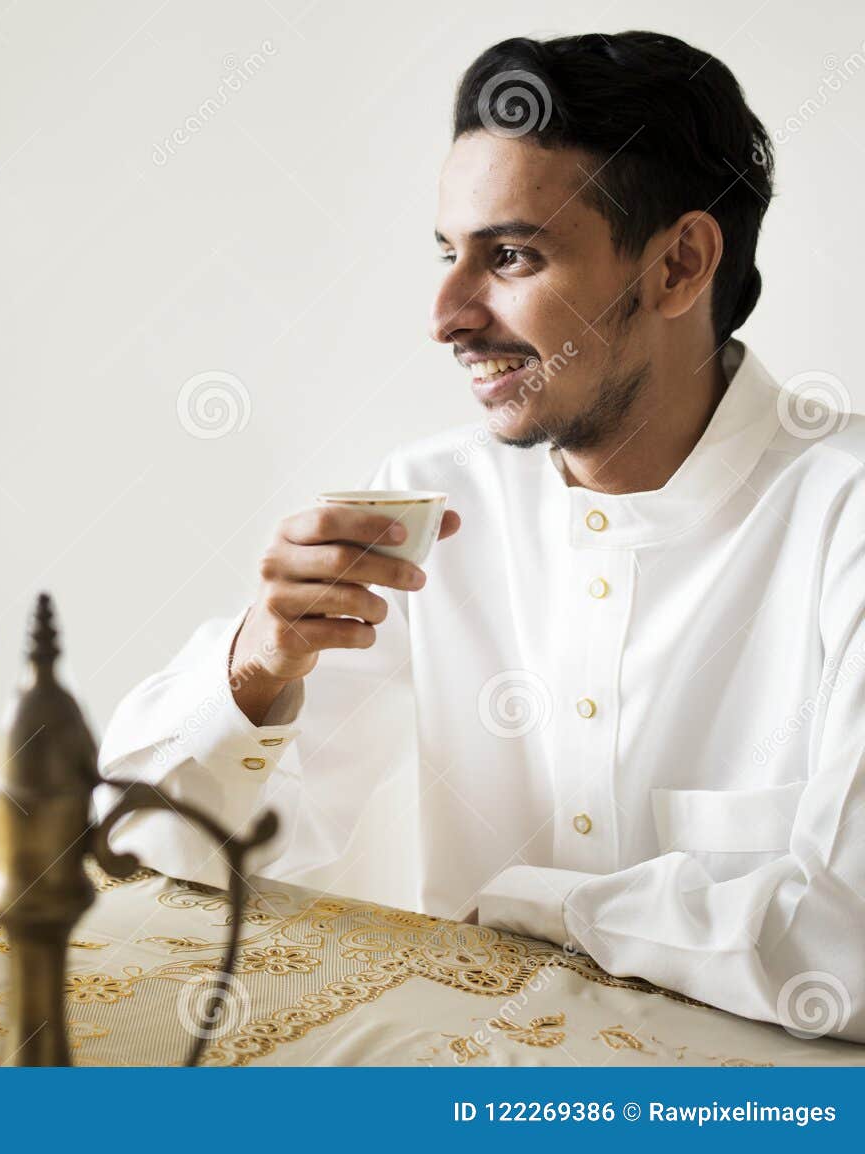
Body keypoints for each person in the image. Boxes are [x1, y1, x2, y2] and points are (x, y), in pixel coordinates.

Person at [101, 31, 865, 1042]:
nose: (446, 315)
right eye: (447, 253)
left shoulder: (846, 514)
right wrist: (257, 666)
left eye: (510, 256)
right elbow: (148, 844)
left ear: (679, 264)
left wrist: (539, 906)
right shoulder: (431, 504)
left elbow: (850, 947)